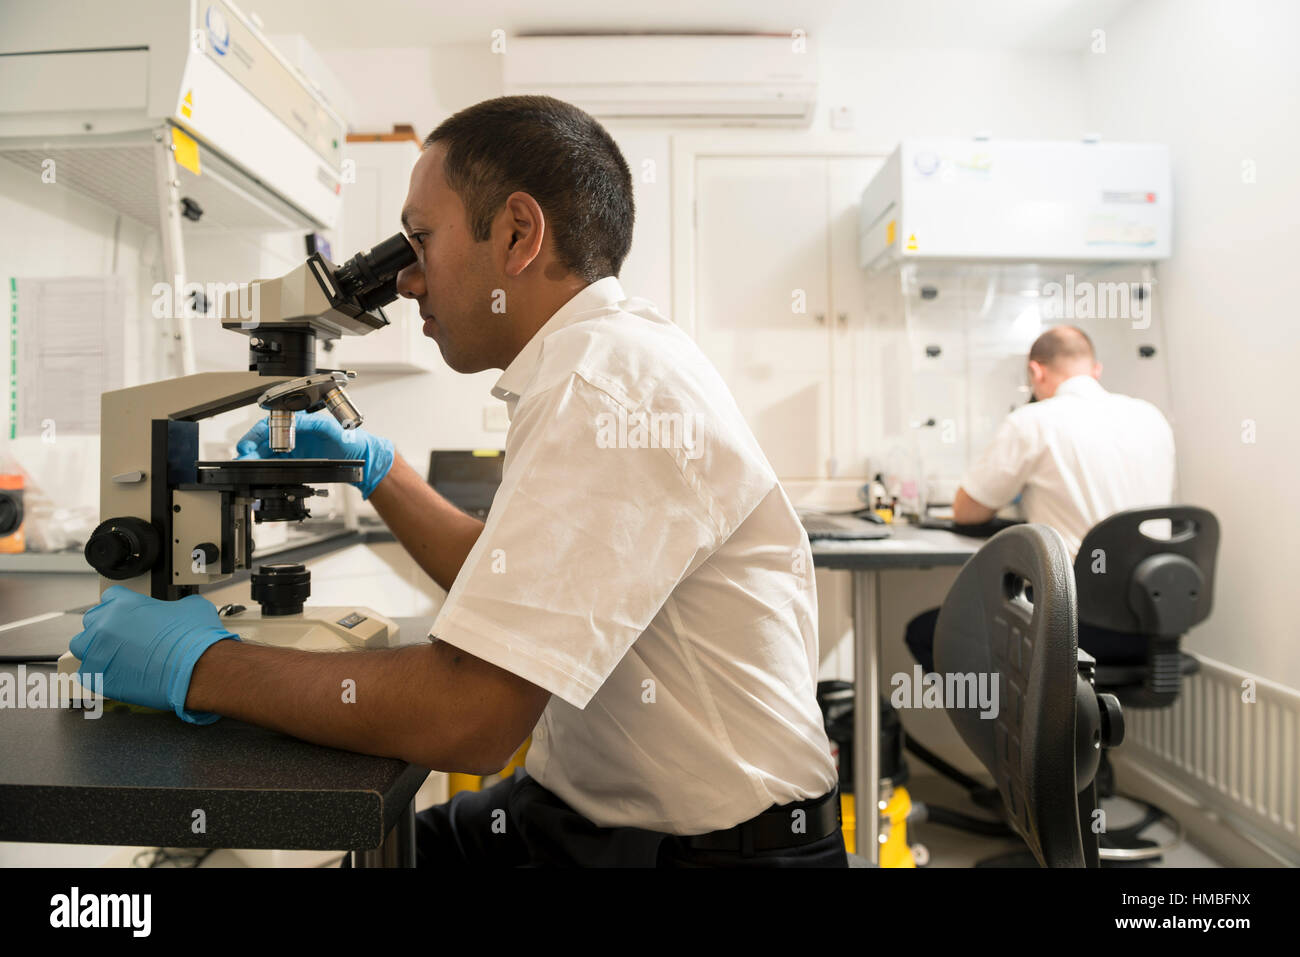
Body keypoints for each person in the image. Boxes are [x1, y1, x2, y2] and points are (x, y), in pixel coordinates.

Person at [68, 95, 846, 867]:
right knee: (375, 854)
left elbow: (471, 715)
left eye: (420, 239)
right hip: (588, 813)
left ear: (516, 234)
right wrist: (381, 469)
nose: (404, 281)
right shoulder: (600, 362)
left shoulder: (605, 390)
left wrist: (200, 665)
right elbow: (513, 585)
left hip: (713, 854)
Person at [906, 324, 1176, 672]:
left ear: (1035, 371)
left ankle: (1023, 721)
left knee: (926, 633)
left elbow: (968, 511)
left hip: (1070, 626)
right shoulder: (1151, 418)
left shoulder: (1032, 421)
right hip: (1153, 620)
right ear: (1096, 371)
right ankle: (1044, 716)